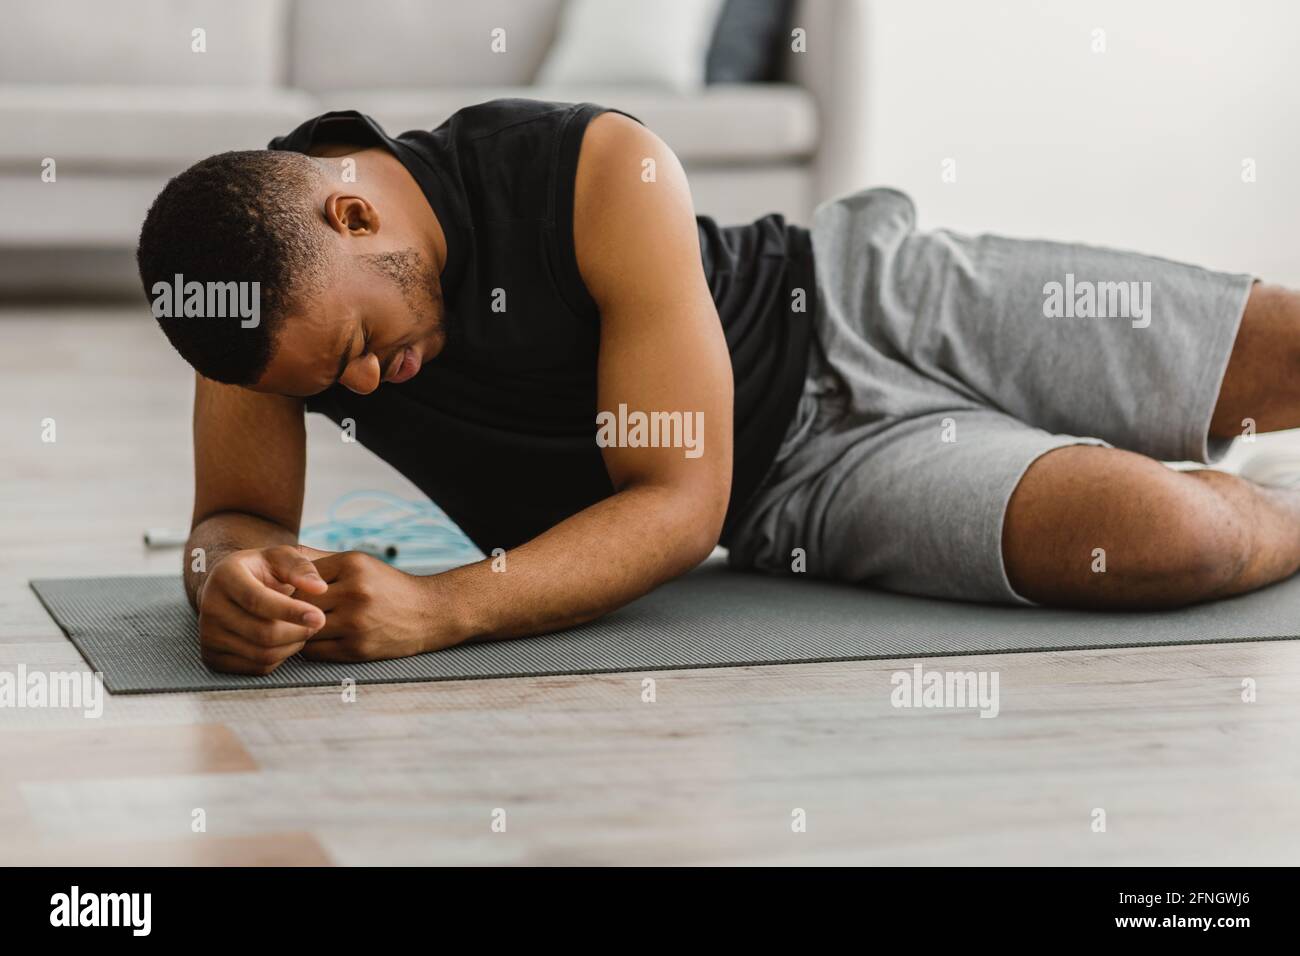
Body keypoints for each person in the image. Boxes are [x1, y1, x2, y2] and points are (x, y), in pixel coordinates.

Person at [135, 98, 1296, 675]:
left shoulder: (590, 163)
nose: (361, 386)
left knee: (1282, 352)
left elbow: (670, 492)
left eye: (361, 347)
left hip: (858, 292)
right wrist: (223, 582)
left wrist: (443, 605)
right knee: (1175, 536)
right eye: (332, 384)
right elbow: (227, 525)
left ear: (355, 214)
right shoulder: (251, 322)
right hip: (806, 484)